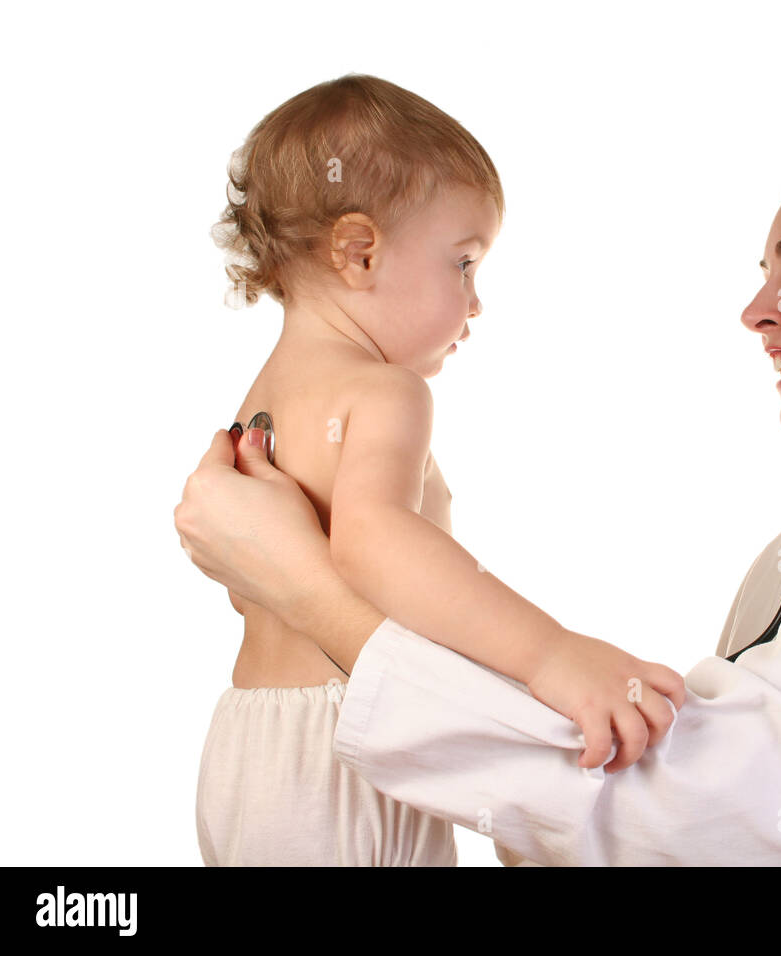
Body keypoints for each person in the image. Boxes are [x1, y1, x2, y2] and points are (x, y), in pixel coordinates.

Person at [176, 144, 781, 866]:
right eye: (764, 274)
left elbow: (695, 813)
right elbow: (629, 813)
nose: (758, 309)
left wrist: (313, 598)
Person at [192, 74, 683, 868]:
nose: (476, 300)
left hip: (247, 742)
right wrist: (552, 656)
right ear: (359, 252)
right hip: (346, 748)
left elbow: (254, 580)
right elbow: (371, 543)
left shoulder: (264, 401)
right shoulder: (387, 391)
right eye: (462, 264)